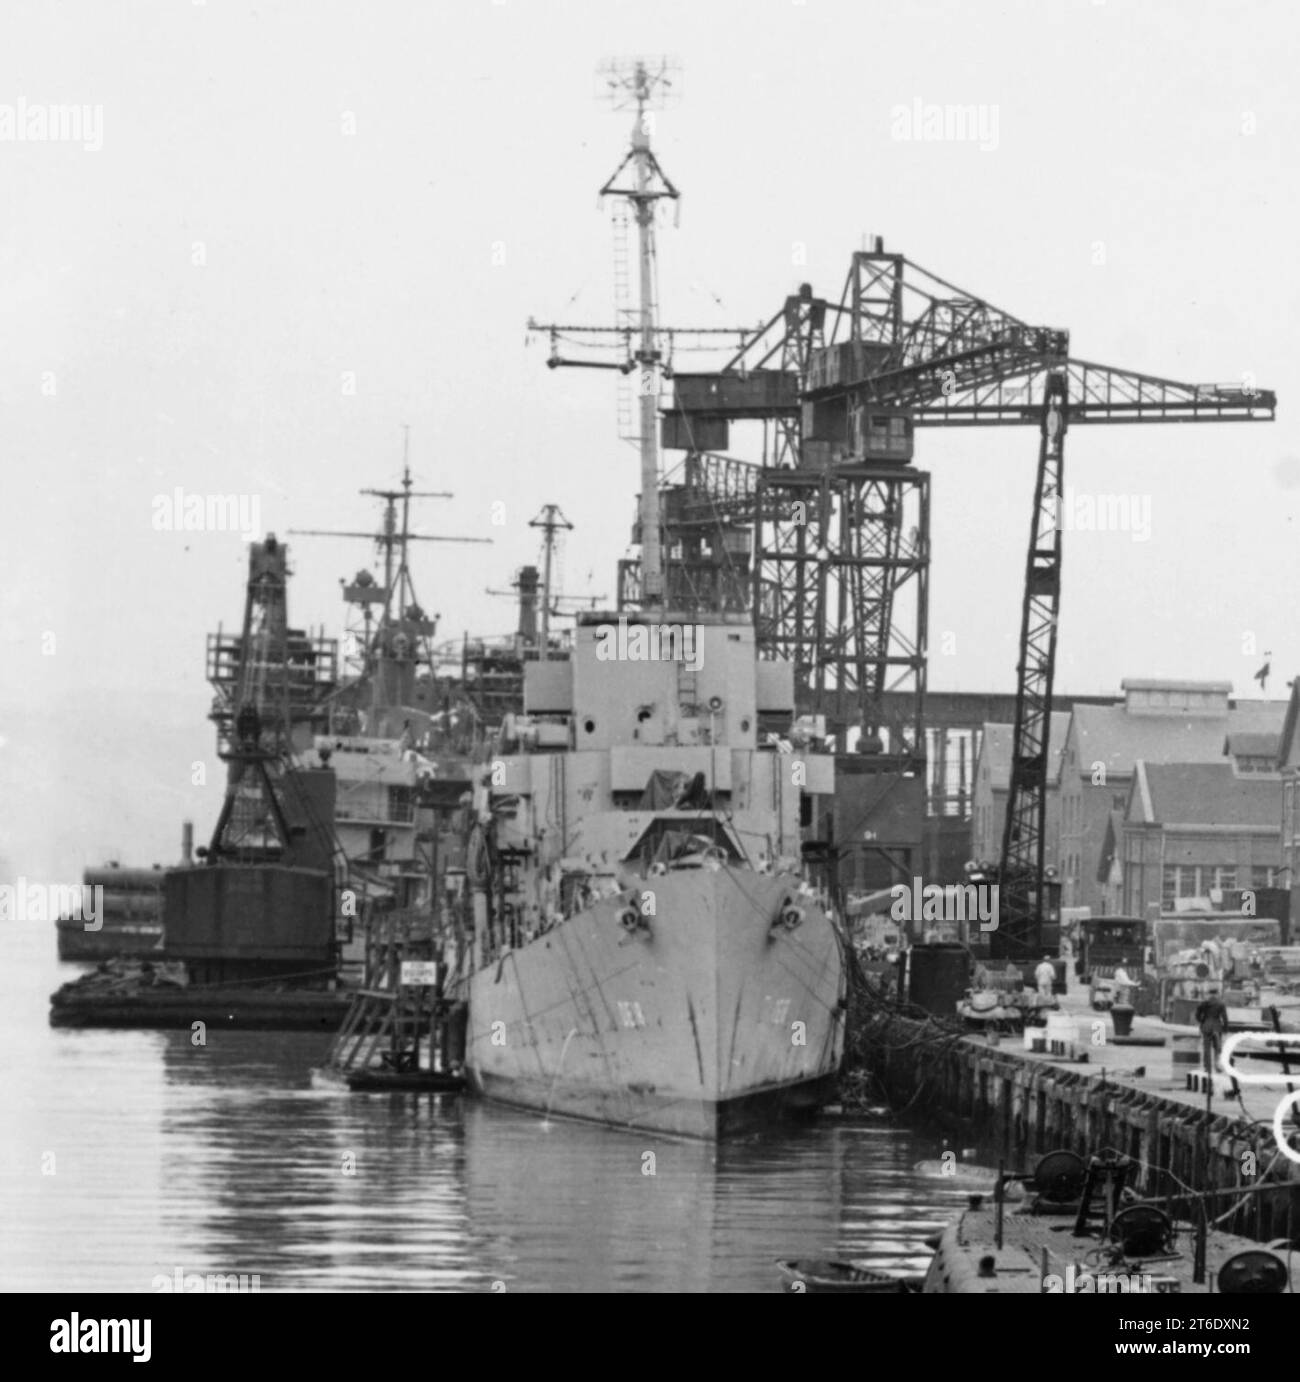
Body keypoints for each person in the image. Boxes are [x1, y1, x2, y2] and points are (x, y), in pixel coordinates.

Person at [1194, 992, 1230, 1076]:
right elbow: (1225, 1017)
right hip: (1217, 1027)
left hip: (1206, 1027)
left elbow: (1197, 1015)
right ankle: (1217, 1066)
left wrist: (1202, 1021)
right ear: (1217, 994)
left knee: (1206, 1048)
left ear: (1209, 994)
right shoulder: (1221, 1004)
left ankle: (1207, 1068)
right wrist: (1225, 1029)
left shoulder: (1204, 1003)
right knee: (1217, 1048)